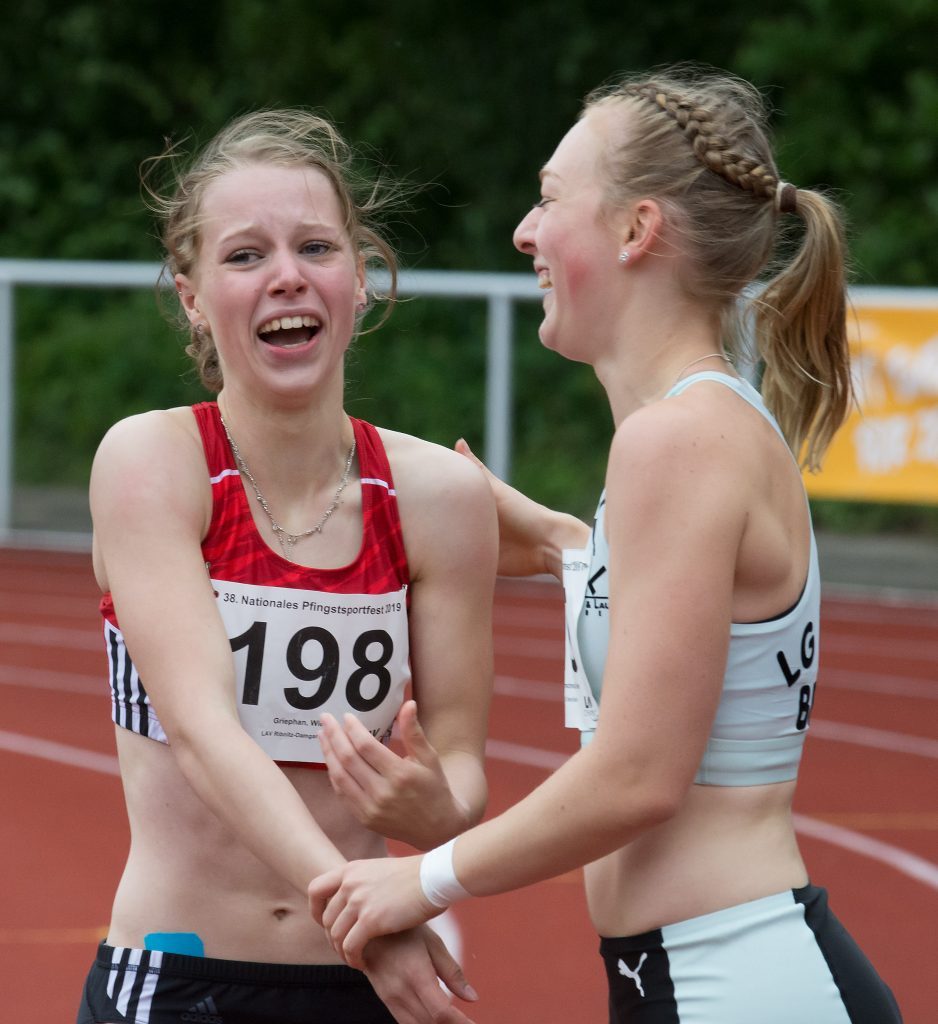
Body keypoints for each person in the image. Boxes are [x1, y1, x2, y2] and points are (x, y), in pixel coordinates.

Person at [309, 66, 904, 1023]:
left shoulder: (675, 442)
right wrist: (560, 543)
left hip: (733, 980)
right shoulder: (699, 428)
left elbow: (637, 776)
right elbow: (705, 620)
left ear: (636, 230)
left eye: (550, 199)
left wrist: (421, 880)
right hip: (706, 970)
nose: (524, 231)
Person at [76, 109, 497, 1024]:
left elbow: (462, 767)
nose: (287, 276)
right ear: (191, 296)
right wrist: (363, 921)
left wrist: (440, 808)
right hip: (181, 977)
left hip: (359, 981)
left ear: (361, 275)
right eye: (244, 255)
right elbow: (203, 732)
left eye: (315, 246)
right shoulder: (153, 464)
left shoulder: (440, 498)